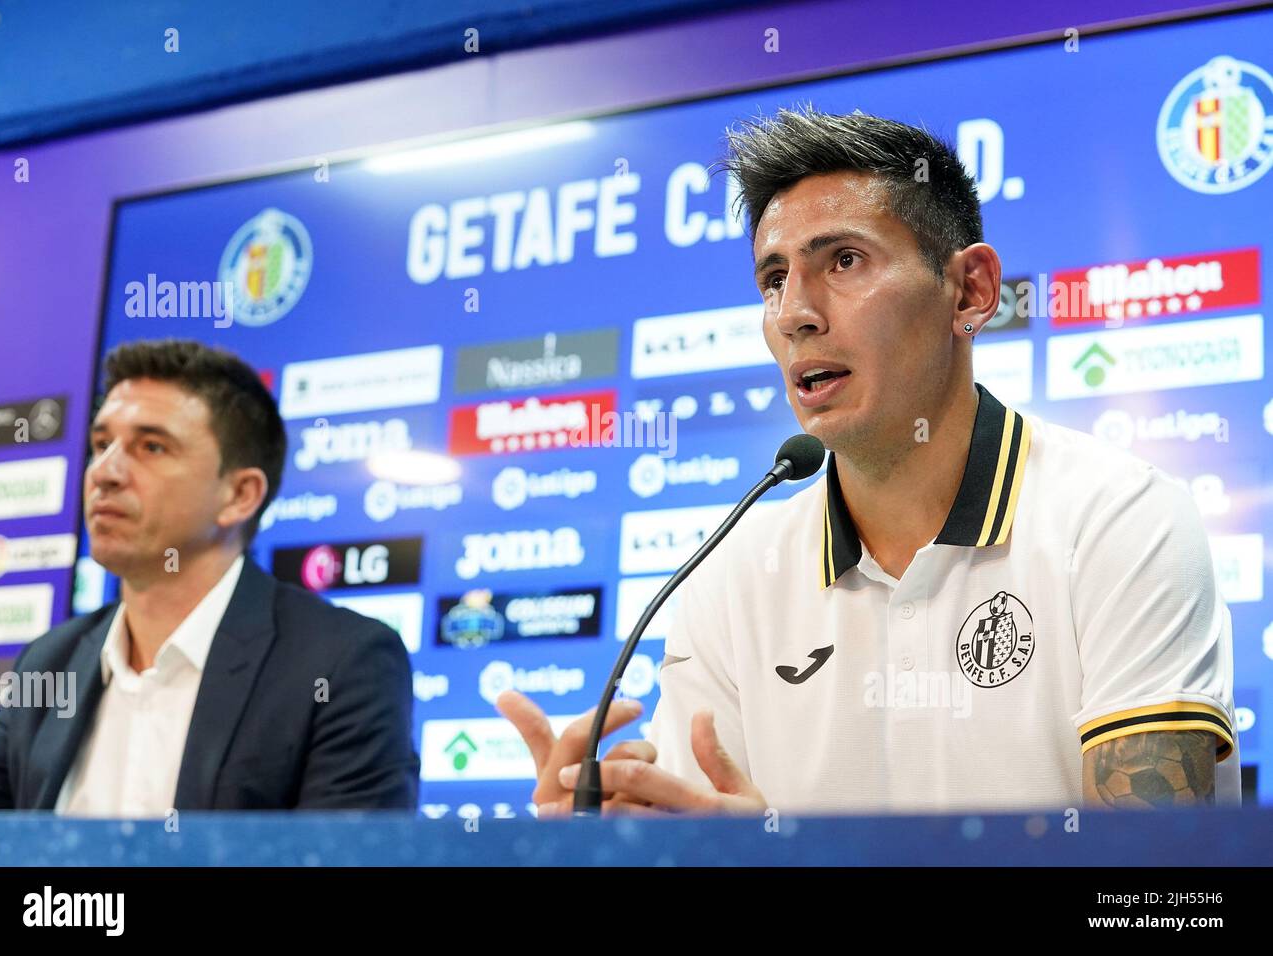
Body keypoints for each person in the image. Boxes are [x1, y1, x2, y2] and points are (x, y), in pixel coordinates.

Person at [500, 107, 1238, 814]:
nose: (795, 313)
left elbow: (1157, 901)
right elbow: (701, 840)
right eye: (773, 279)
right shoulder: (729, 574)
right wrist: (602, 849)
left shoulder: (1120, 521)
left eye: (844, 260)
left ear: (970, 291)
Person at [0, 339, 419, 813]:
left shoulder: (341, 664)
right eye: (102, 445)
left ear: (239, 496)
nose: (105, 472)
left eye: (151, 446)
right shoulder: (48, 662)